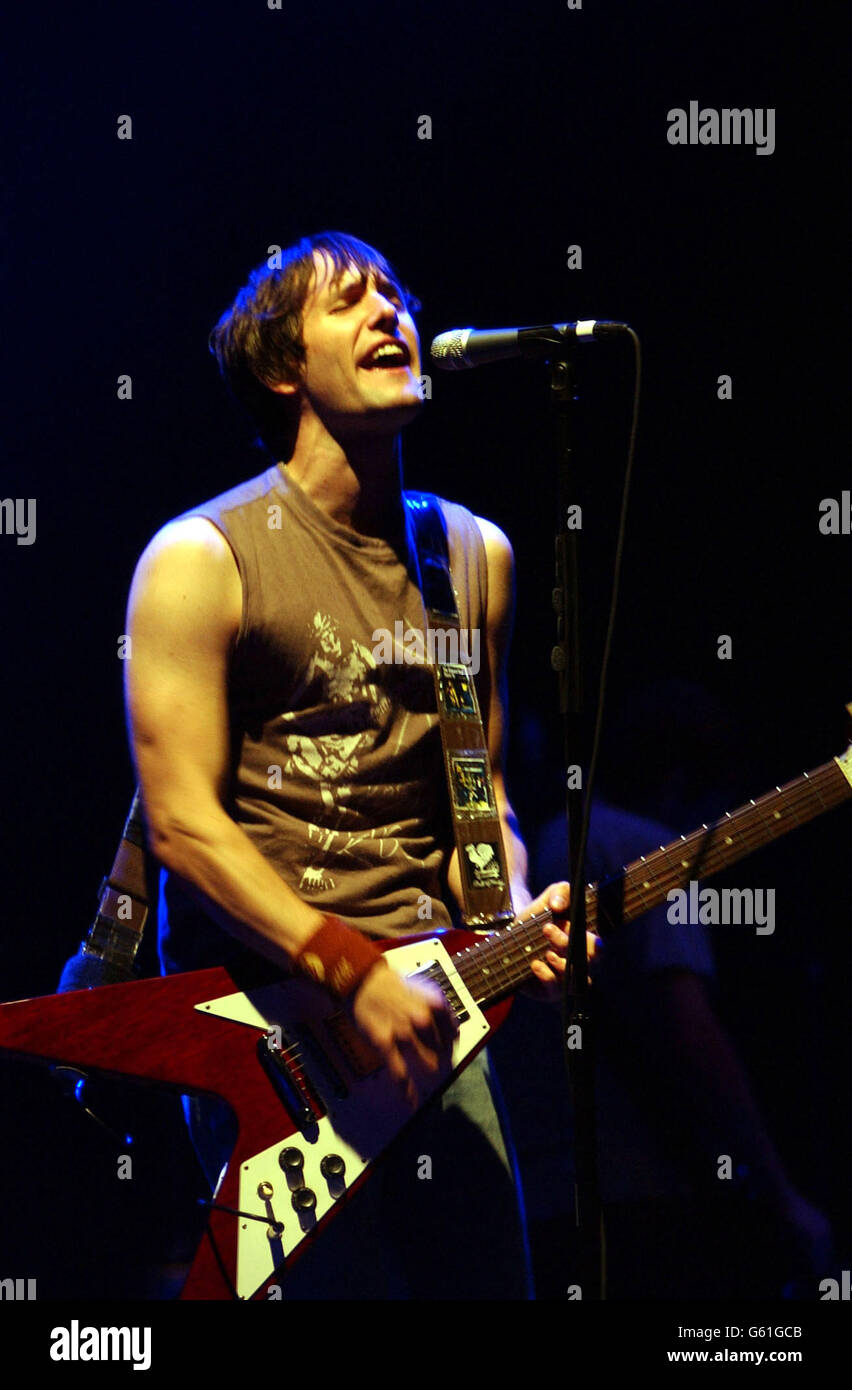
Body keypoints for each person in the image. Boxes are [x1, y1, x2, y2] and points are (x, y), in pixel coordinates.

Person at [122, 230, 572, 1298]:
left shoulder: (474, 557)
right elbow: (183, 825)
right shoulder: (200, 558)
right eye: (351, 300)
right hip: (274, 1024)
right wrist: (346, 965)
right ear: (286, 367)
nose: (392, 314)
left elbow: (483, 795)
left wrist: (517, 907)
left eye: (397, 296)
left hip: (438, 1011)